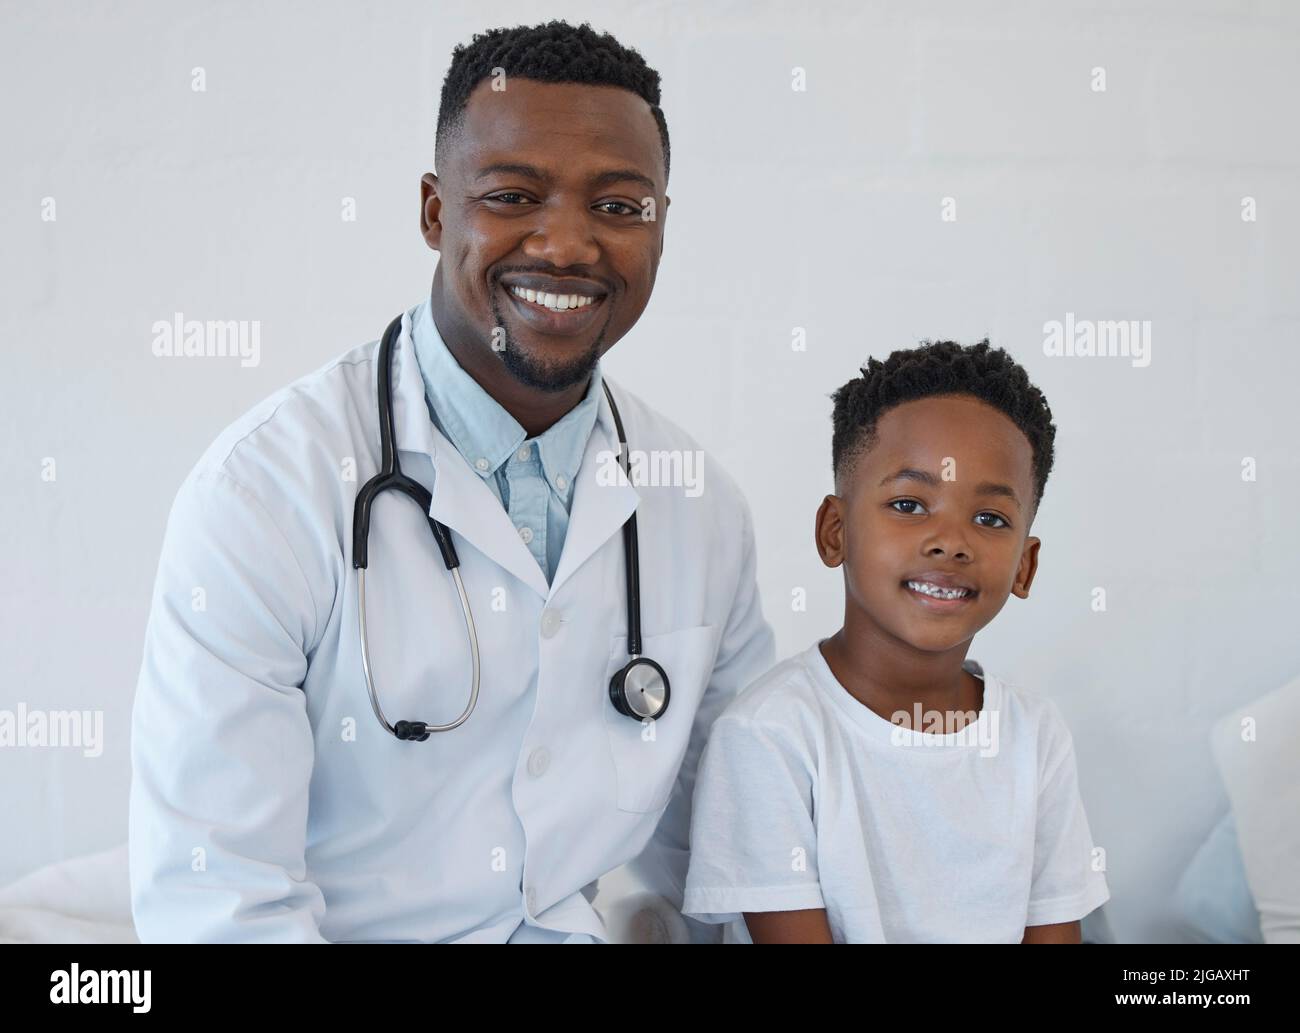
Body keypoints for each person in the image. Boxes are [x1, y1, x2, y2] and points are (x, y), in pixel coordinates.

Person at [129, 20, 775, 943]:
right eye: (514, 195)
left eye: (620, 207)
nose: (568, 246)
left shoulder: (699, 509)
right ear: (436, 212)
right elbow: (221, 901)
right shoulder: (265, 493)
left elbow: (731, 863)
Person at [681, 341, 1110, 943]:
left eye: (989, 519)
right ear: (836, 532)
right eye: (909, 504)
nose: (950, 541)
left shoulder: (1035, 738)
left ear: (1024, 566)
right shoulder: (771, 736)